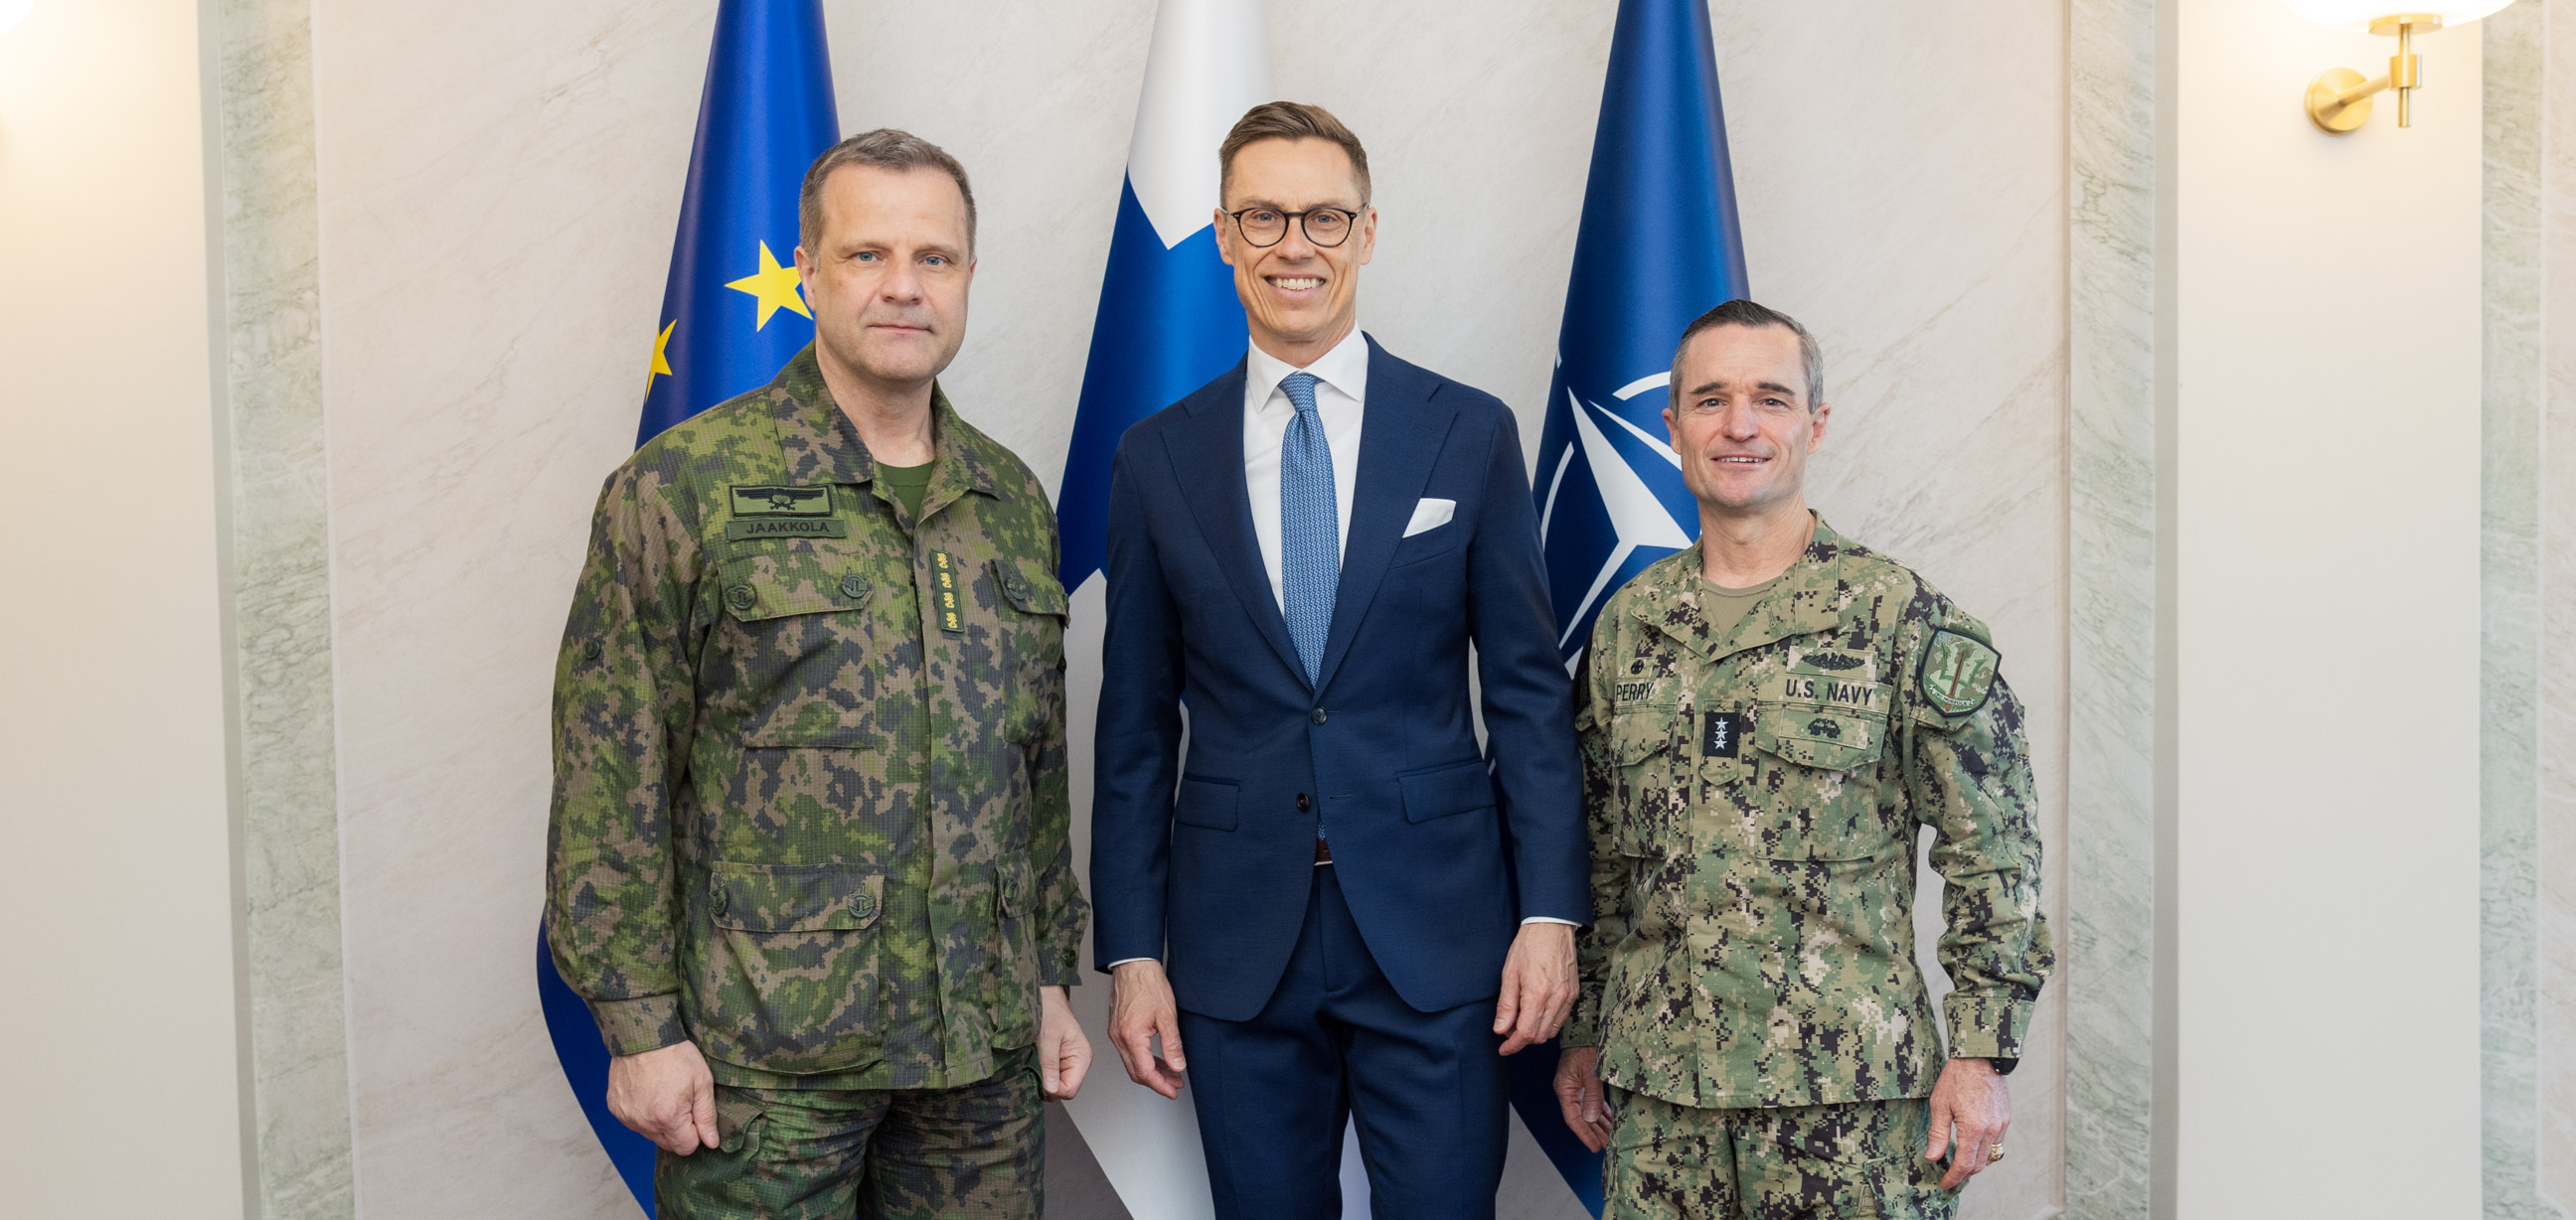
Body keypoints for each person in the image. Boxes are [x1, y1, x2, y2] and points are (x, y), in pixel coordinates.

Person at [545, 128, 1090, 1218]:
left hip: (975, 1059)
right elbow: (612, 774)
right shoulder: (683, 486)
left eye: (934, 258)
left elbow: (1029, 767)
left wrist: (1046, 978)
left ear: (968, 278)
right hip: (764, 1068)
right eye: (866, 255)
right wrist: (641, 1027)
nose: (903, 286)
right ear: (808, 270)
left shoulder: (1009, 501)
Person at [1087, 100, 1589, 1220]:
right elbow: (1133, 722)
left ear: (1368, 232)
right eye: (1263, 216)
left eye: (1323, 216)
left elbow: (1525, 697)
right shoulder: (1157, 456)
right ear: (1221, 234)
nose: (1294, 245)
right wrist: (1131, 949)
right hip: (1231, 942)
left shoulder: (1467, 430)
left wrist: (1550, 912)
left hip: (1437, 933)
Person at [1551, 299, 2054, 1218]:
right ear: (1673, 427)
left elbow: (1997, 850)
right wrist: (1586, 1030)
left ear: (1814, 424)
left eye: (1770, 399)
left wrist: (1980, 1051)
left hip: (1848, 1107)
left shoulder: (1899, 619)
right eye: (1710, 400)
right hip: (1665, 1110)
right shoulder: (1629, 629)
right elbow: (1605, 858)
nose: (1739, 424)